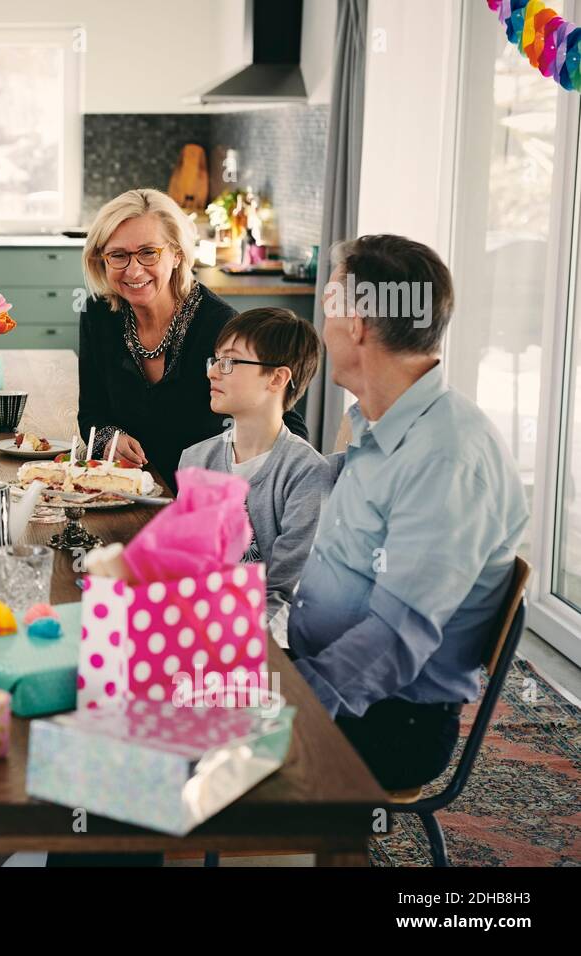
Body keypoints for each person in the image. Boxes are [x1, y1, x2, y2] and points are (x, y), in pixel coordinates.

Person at [287, 234, 528, 790]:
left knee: (144, 748)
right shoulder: (382, 422)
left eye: (329, 300)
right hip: (332, 681)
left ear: (359, 326)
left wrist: (288, 700)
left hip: (384, 723)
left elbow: (395, 639)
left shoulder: (446, 458)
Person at [77, 188, 308, 492]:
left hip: (204, 504)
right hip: (124, 494)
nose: (133, 270)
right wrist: (109, 438)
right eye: (118, 255)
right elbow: (92, 412)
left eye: (148, 252)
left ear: (177, 254)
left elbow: (284, 422)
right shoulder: (98, 315)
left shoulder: (219, 325)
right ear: (102, 260)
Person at [179, 308, 333, 645]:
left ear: (277, 378)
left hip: (267, 650)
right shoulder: (195, 461)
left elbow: (285, 595)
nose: (213, 374)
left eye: (230, 362)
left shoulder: (306, 474)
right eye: (215, 360)